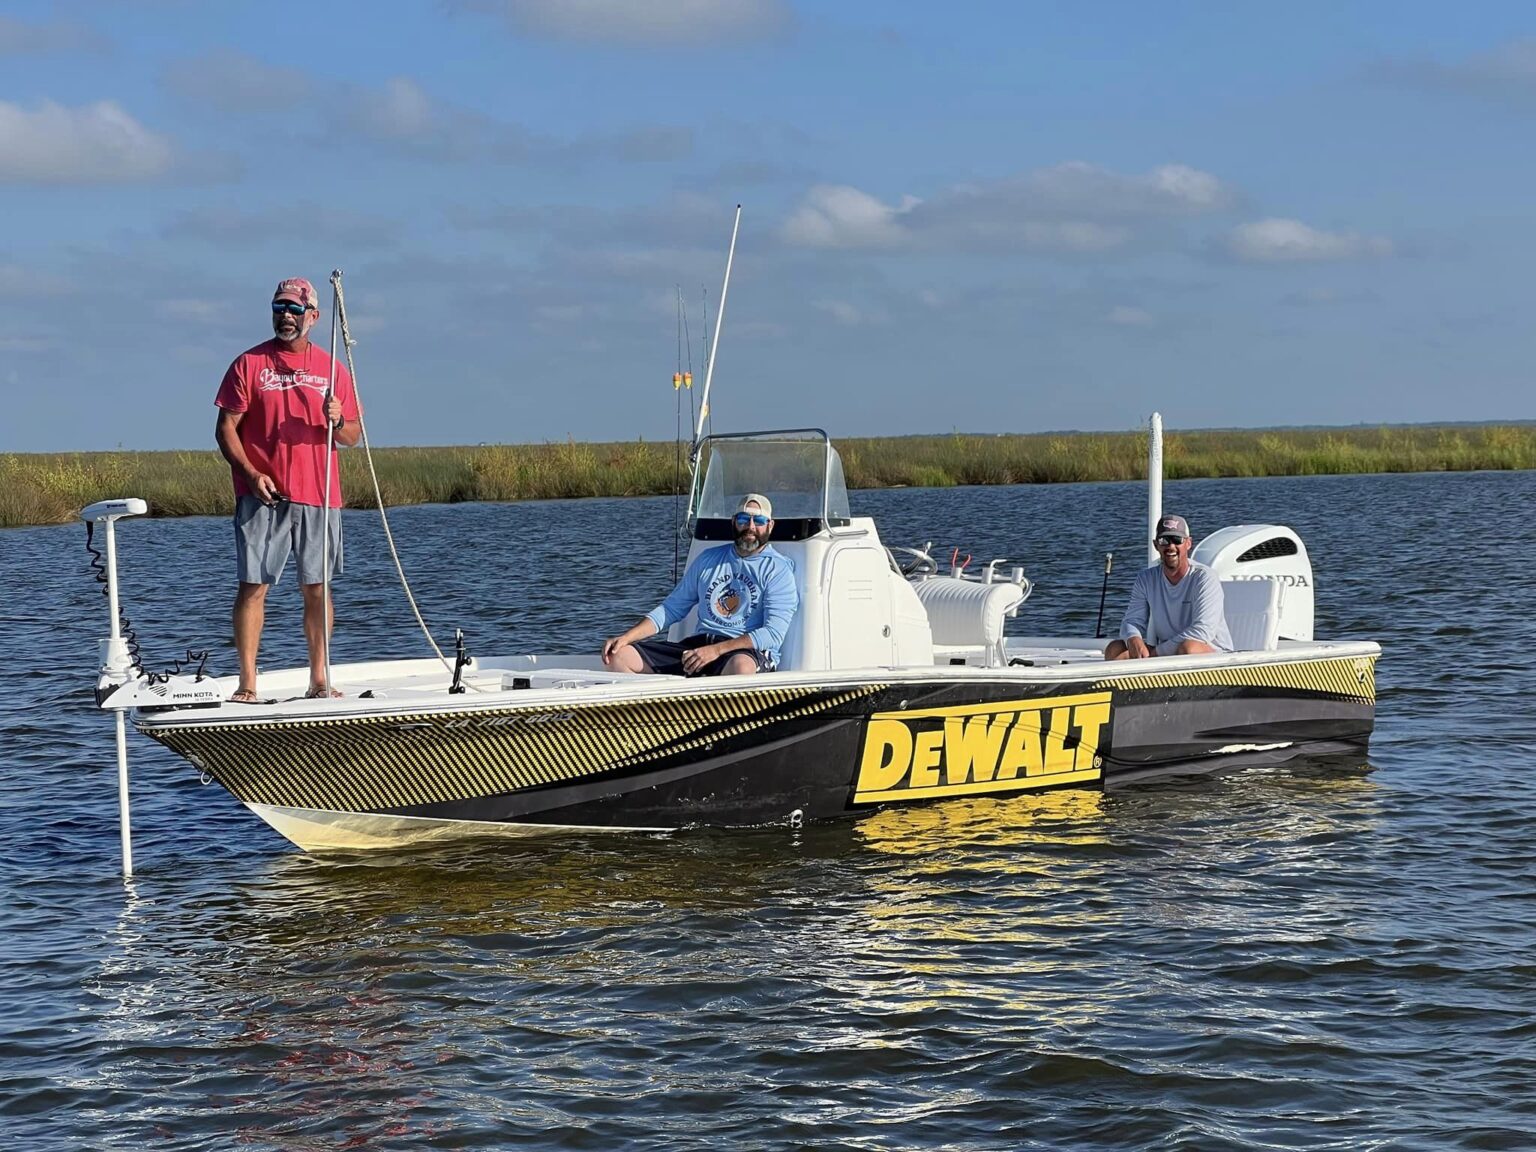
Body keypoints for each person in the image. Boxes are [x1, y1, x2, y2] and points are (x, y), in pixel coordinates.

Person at [215, 278, 361, 702]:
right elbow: (226, 428)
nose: (286, 315)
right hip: (263, 494)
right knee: (253, 584)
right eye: (279, 307)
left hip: (319, 492)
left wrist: (338, 419)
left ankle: (320, 679)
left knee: (317, 586)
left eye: (295, 310)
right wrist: (250, 472)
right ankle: (247, 683)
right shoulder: (248, 364)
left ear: (313, 316)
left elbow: (351, 435)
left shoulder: (333, 367)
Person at [602, 494, 798, 676]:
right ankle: (653, 711)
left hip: (743, 652)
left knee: (741, 667)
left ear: (770, 525)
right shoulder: (708, 559)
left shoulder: (778, 569)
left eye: (760, 521)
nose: (751, 527)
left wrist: (716, 651)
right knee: (617, 655)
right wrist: (627, 637)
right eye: (743, 520)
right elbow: (671, 609)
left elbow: (772, 634)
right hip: (699, 647)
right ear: (733, 522)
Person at [1104, 513, 1232, 660]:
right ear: (1156, 544)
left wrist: (1156, 653)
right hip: (1166, 654)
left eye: (1177, 540)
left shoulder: (1204, 577)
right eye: (1164, 540)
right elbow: (1131, 621)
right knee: (1115, 649)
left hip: (1212, 653)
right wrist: (1133, 639)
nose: (1171, 546)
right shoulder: (1145, 578)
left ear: (1188, 543)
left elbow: (1203, 631)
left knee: (1188, 648)